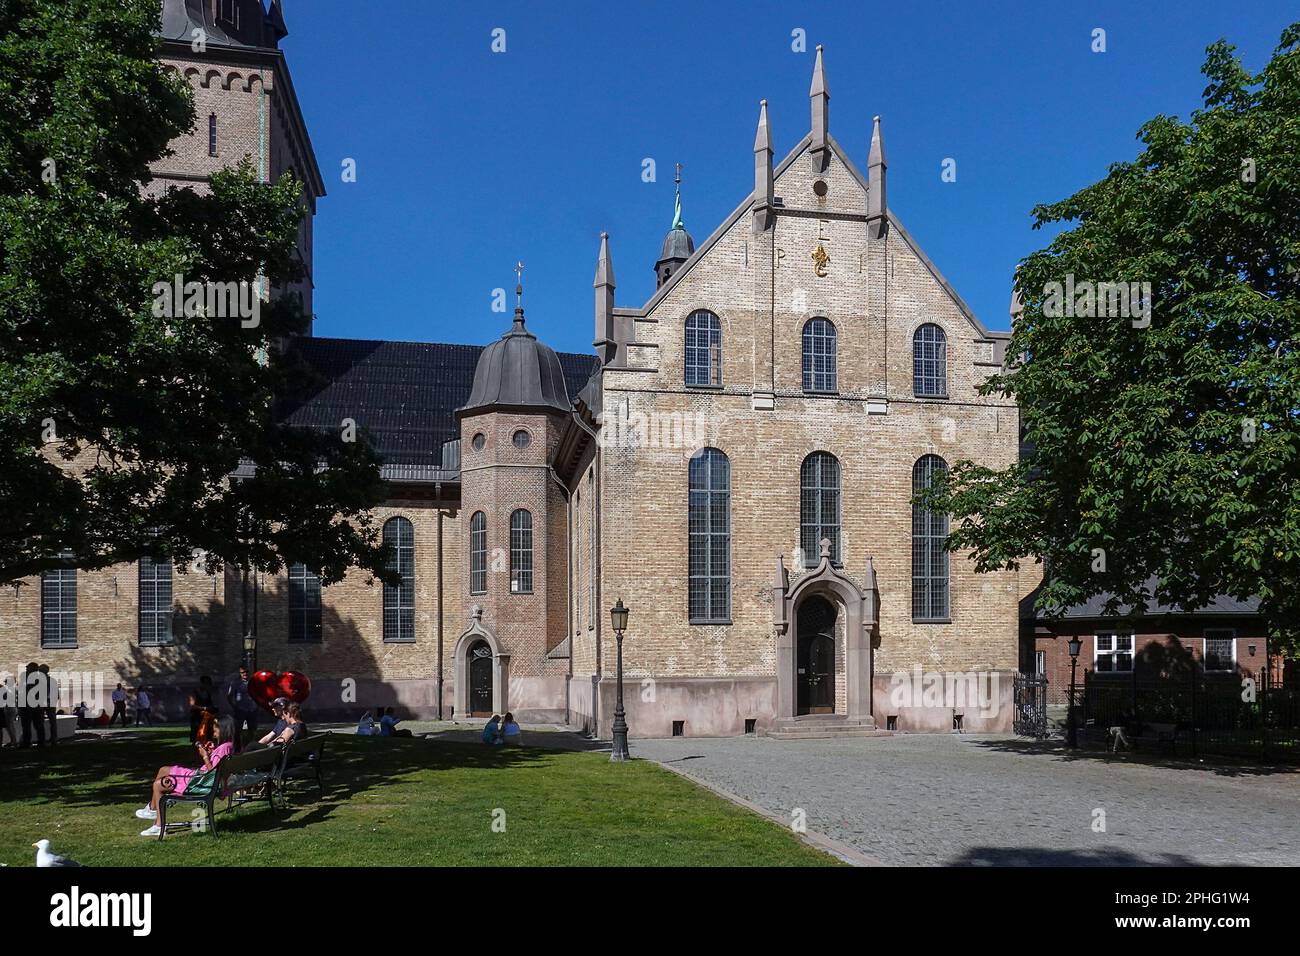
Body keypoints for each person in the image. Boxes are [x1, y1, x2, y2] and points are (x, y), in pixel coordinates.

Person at [136, 714, 237, 836]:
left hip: (199, 782)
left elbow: (213, 773)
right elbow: (217, 769)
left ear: (224, 730)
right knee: (163, 770)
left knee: (158, 785)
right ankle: (152, 810)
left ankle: (157, 822)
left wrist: (205, 756)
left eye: (216, 729)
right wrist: (212, 752)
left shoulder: (224, 748)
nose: (213, 731)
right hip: (203, 780)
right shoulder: (228, 746)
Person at [224, 665, 259, 749]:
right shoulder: (235, 683)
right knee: (237, 730)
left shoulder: (253, 682)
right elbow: (229, 696)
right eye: (243, 672)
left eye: (246, 672)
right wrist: (234, 706)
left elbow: (259, 694)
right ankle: (237, 748)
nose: (245, 674)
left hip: (252, 709)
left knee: (252, 729)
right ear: (240, 673)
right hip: (240, 710)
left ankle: (250, 747)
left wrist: (257, 705)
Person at [19, 663, 46, 748]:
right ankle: (41, 742)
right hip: (37, 705)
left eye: (28, 668)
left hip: (28, 705)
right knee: (38, 725)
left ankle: (27, 743)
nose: (26, 669)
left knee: (27, 725)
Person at [189, 675, 216, 743]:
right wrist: (205, 708)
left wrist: (212, 708)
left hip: (206, 716)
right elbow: (192, 706)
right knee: (196, 732)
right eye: (206, 683)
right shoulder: (195, 692)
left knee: (207, 733)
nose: (208, 686)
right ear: (202, 683)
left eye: (209, 684)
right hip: (196, 716)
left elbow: (210, 704)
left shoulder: (208, 693)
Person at [38, 664, 58, 745]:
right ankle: (54, 739)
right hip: (51, 703)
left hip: (42, 703)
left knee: (40, 722)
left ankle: (42, 740)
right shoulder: (52, 680)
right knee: (52, 722)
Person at [0, 672, 20, 748]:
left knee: (10, 726)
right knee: (10, 725)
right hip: (12, 708)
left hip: (9, 708)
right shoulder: (13, 689)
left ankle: (14, 741)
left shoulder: (9, 690)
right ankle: (13, 740)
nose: (5, 683)